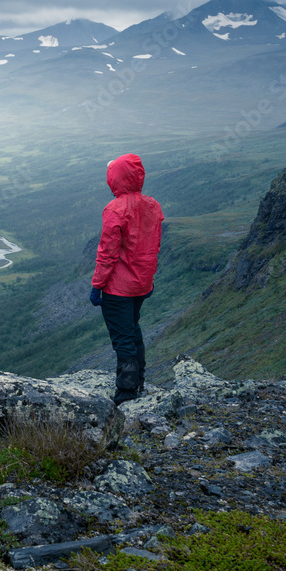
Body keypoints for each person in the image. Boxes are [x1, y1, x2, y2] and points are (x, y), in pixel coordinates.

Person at [88, 153, 164, 406]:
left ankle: (127, 391)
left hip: (118, 289)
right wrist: (147, 280)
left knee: (123, 338)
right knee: (133, 330)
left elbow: (107, 253)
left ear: (116, 178)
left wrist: (97, 286)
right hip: (141, 284)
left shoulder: (115, 209)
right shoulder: (153, 205)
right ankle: (138, 379)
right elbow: (153, 246)